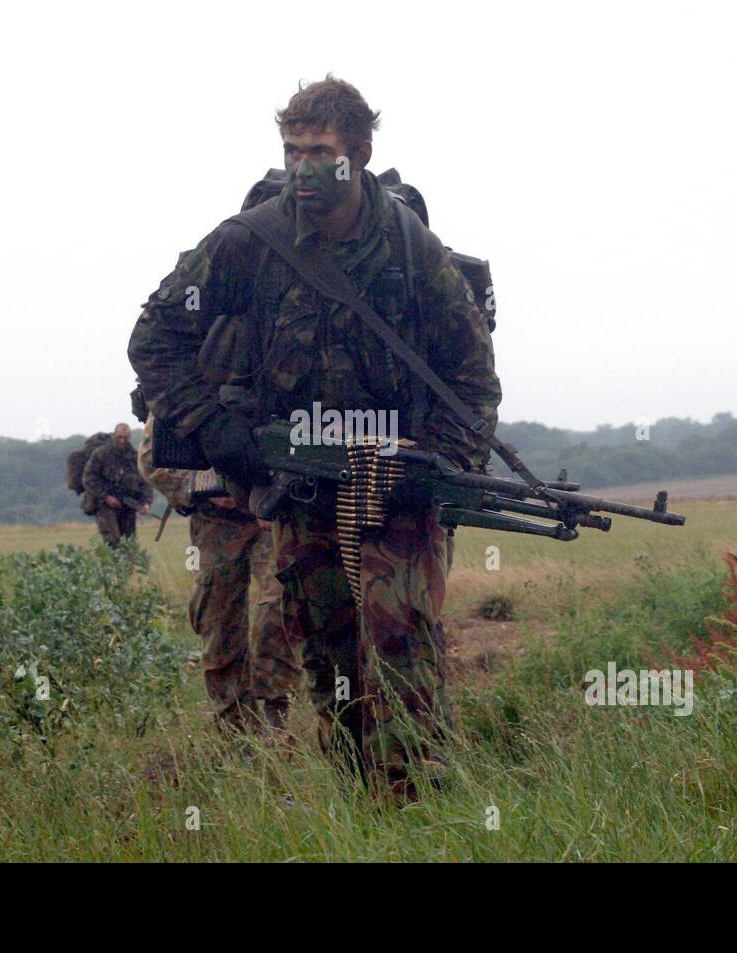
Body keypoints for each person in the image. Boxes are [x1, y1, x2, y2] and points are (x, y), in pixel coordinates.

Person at [128, 76, 501, 798]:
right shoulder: (250, 243)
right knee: (329, 658)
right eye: (292, 151)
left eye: (321, 152)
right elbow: (155, 336)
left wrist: (442, 468)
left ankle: (418, 810)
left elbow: (473, 375)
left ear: (359, 154)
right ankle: (364, 808)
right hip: (301, 488)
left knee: (400, 649)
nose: (304, 168)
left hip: (395, 482)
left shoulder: (413, 250)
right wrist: (222, 431)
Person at [138, 413, 301, 738]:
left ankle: (275, 713)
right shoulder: (183, 391)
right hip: (215, 522)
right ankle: (233, 724)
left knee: (279, 603)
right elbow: (149, 458)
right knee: (218, 617)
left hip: (270, 512)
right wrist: (199, 486)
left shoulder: (268, 372)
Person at [82, 423, 152, 546]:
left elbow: (144, 481)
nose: (122, 441)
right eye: (119, 437)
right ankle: (111, 565)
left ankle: (127, 565)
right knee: (112, 541)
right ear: (114, 435)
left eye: (125, 438)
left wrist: (146, 502)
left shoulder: (134, 456)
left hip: (127, 505)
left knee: (129, 544)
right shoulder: (101, 454)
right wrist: (106, 497)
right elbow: (89, 478)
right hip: (105, 505)